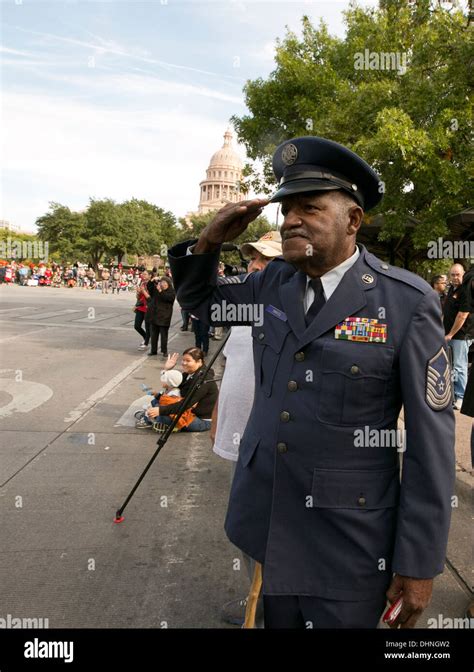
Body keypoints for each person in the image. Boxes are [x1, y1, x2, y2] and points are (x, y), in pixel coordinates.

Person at [168, 135, 455, 629]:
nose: (291, 221)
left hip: (348, 540)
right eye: (285, 210)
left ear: (353, 220)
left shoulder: (406, 302)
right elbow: (201, 303)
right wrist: (208, 241)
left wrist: (419, 561)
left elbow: (432, 445)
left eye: (309, 208)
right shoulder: (271, 283)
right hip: (270, 521)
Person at [211, 230, 282, 626]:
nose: (254, 266)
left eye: (266, 260)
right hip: (239, 435)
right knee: (245, 525)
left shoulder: (283, 312)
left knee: (268, 529)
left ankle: (263, 608)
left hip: (270, 440)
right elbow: (230, 367)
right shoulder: (244, 307)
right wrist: (220, 413)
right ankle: (254, 598)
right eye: (253, 258)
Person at [136, 348, 218, 432]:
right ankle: (153, 417)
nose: (184, 363)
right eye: (183, 360)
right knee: (157, 401)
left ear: (199, 361)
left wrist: (160, 410)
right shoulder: (189, 373)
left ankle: (152, 419)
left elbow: (186, 404)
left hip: (200, 419)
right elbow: (172, 385)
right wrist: (167, 369)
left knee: (163, 415)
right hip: (188, 411)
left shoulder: (203, 380)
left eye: (188, 361)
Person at [443, 263, 474, 409]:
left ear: (463, 274)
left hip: (461, 335)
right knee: (450, 366)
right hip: (449, 335)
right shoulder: (451, 289)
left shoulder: (466, 292)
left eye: (458, 274)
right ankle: (453, 394)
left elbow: (462, 315)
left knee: (460, 367)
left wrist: (450, 334)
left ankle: (461, 397)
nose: (455, 277)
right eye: (453, 274)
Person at [146, 277, 176, 358]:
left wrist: (160, 291)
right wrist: (152, 280)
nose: (162, 284)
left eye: (164, 283)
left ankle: (164, 351)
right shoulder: (157, 290)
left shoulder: (171, 292)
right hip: (155, 316)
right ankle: (153, 350)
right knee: (154, 335)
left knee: (163, 336)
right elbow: (149, 287)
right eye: (161, 282)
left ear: (168, 284)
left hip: (164, 317)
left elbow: (168, 298)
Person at [134, 271, 150, 350]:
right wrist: (138, 293)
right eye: (142, 274)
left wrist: (144, 290)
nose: (143, 275)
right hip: (140, 307)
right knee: (137, 326)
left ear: (149, 276)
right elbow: (139, 297)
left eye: (145, 274)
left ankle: (146, 342)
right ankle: (146, 337)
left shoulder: (152, 284)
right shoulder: (142, 284)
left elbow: (150, 297)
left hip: (148, 308)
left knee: (148, 327)